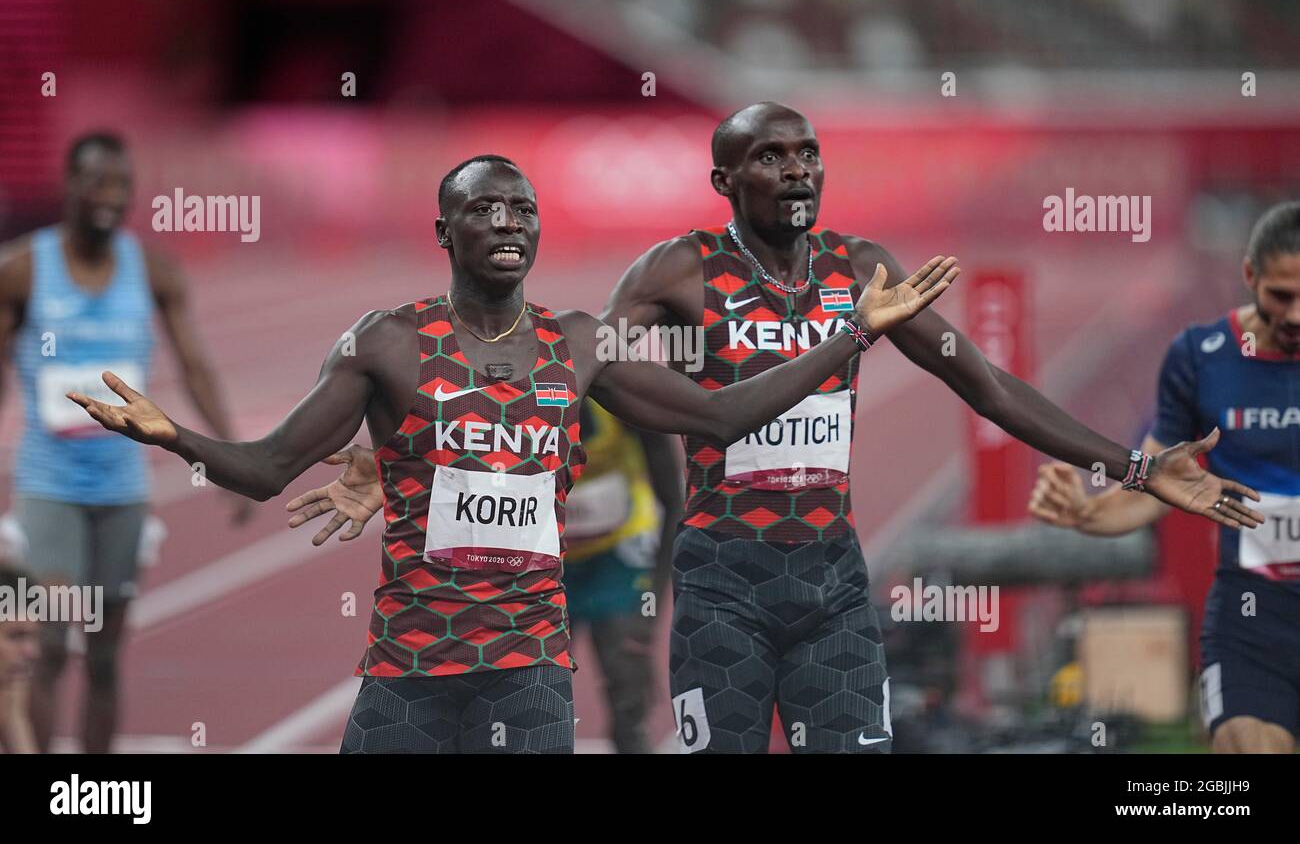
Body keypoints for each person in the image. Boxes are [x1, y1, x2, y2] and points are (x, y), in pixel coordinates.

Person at [291, 108, 1257, 755]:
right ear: (725, 178)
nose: (794, 169)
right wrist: (408, 455)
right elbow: (569, 378)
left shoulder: (862, 272)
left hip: (832, 579)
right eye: (768, 157)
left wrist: (1132, 463)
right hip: (721, 585)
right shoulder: (677, 273)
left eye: (806, 154)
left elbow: (991, 386)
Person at [69, 154, 960, 754]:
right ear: (443, 232)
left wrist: (848, 337)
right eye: (482, 209)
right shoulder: (388, 343)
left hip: (528, 677)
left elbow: (721, 418)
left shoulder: (578, 344)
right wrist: (174, 437)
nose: (507, 221)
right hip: (407, 672)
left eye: (522, 209)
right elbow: (266, 467)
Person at [0, 131, 248, 753]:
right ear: (70, 186)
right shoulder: (26, 270)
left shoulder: (153, 270)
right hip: (49, 483)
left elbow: (195, 367)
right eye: (98, 183)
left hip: (121, 489)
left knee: (106, 657)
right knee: (52, 642)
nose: (112, 197)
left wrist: (233, 455)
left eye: (122, 185)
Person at [1028, 201, 1300, 754]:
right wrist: (1087, 512)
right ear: (1250, 276)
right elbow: (1157, 485)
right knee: (1248, 750)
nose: (1296, 315)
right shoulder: (1202, 359)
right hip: (1255, 616)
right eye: (1281, 295)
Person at [563, 399, 682, 753]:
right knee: (532, 692)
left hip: (621, 556)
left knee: (628, 685)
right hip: (550, 561)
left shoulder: (620, 395)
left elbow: (673, 502)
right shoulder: (518, 394)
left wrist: (653, 599)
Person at [0, 563, 40, 754]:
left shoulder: (9, 680)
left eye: (33, 637)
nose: (31, 652)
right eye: (15, 636)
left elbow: (16, 720)